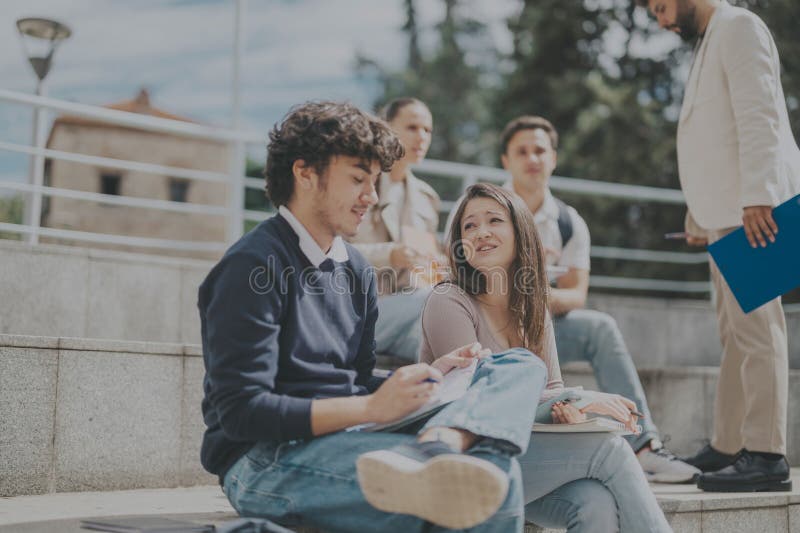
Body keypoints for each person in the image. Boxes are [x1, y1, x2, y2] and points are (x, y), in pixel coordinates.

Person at [197, 101, 559, 532]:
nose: (372, 196)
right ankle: (437, 459)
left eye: (374, 180)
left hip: (347, 436)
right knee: (489, 487)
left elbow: (356, 380)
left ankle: (443, 442)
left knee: (518, 366)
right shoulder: (252, 266)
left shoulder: (355, 270)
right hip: (264, 460)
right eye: (357, 179)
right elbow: (243, 414)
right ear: (305, 174)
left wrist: (431, 377)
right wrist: (370, 405)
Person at [446, 115, 700, 483]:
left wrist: (529, 287)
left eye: (540, 150)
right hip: (484, 329)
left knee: (601, 327)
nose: (532, 159)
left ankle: (644, 447)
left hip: (538, 324)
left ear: (553, 158)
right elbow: (453, 277)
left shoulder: (569, 222)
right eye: (522, 151)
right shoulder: (472, 210)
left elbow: (576, 294)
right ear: (505, 161)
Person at [424, 183, 671, 532]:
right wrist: (584, 398)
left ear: (520, 232)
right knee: (611, 449)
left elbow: (551, 390)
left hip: (525, 454)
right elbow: (479, 402)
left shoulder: (533, 303)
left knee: (593, 503)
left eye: (494, 220)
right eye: (469, 226)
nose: (481, 232)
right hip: (468, 456)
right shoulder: (448, 300)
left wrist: (566, 413)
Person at [636, 0, 800, 492]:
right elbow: (714, 140)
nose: (661, 20)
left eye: (661, 7)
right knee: (734, 334)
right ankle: (730, 445)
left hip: (755, 210)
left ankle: (766, 454)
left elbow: (759, 115)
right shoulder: (713, 38)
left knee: (758, 329)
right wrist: (700, 218)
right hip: (727, 215)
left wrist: (758, 196)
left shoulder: (739, 27)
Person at [349, 97, 443, 363]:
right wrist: (390, 255)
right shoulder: (359, 184)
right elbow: (330, 252)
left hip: (407, 307)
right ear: (386, 128)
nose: (422, 137)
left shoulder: (427, 198)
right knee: (436, 300)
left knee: (443, 341)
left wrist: (441, 266)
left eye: (427, 130)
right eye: (412, 127)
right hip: (356, 308)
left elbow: (427, 270)